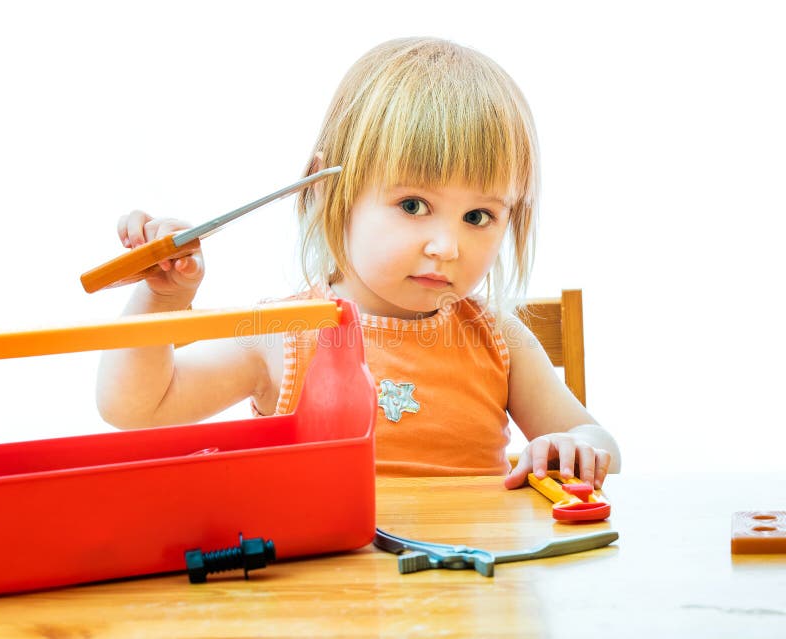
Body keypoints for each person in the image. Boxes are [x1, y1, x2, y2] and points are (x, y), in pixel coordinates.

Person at [96, 37, 621, 490]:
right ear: (330, 192)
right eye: (414, 206)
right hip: (332, 599)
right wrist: (162, 299)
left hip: (469, 595)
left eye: (479, 216)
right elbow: (138, 408)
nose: (447, 246)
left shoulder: (498, 339)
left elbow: (601, 444)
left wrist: (575, 449)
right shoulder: (282, 334)